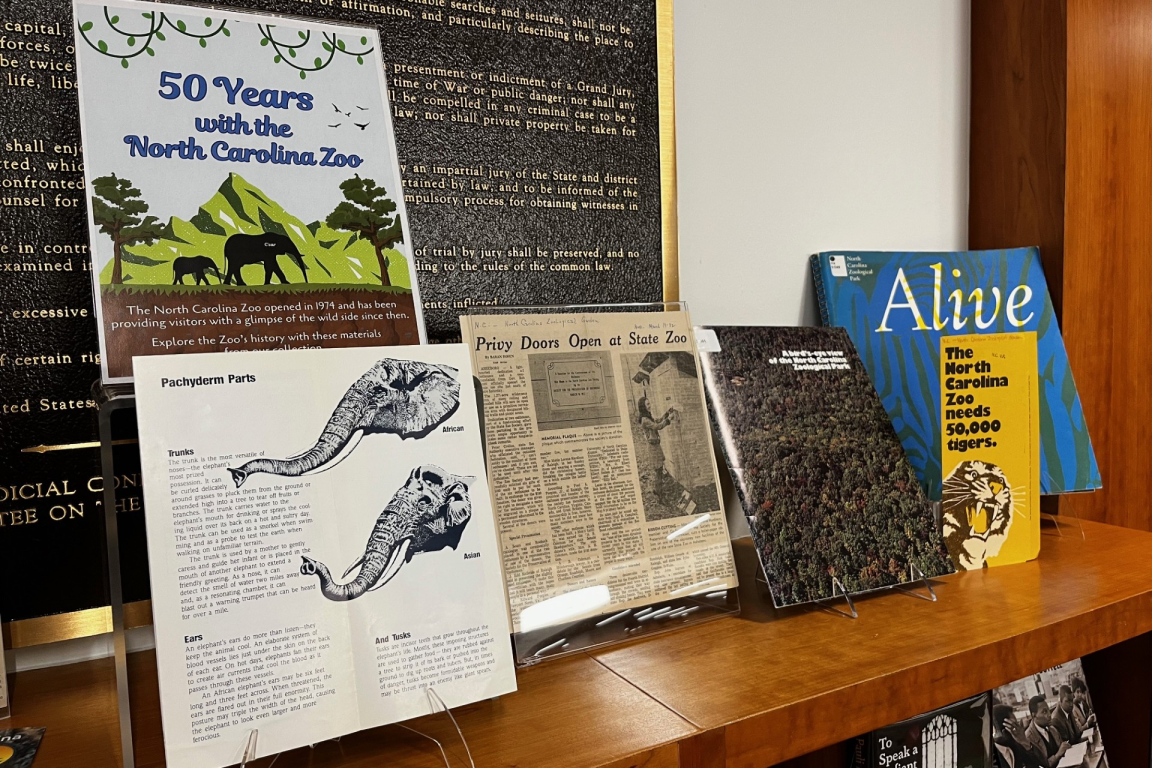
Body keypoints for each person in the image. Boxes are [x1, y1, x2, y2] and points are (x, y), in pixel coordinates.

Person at [636, 393, 675, 500]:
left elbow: (657, 420)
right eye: (647, 404)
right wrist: (668, 420)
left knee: (659, 469)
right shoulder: (645, 420)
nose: (650, 406)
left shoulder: (647, 416)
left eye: (649, 403)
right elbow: (657, 426)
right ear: (643, 407)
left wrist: (666, 413)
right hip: (653, 448)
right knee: (658, 471)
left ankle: (657, 490)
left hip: (655, 446)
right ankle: (659, 494)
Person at [1025, 695, 1070, 767]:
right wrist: (1057, 755)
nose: (1049, 714)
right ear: (1034, 716)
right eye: (1044, 712)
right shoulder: (1028, 739)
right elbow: (1041, 766)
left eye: (1048, 710)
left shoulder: (1053, 730)